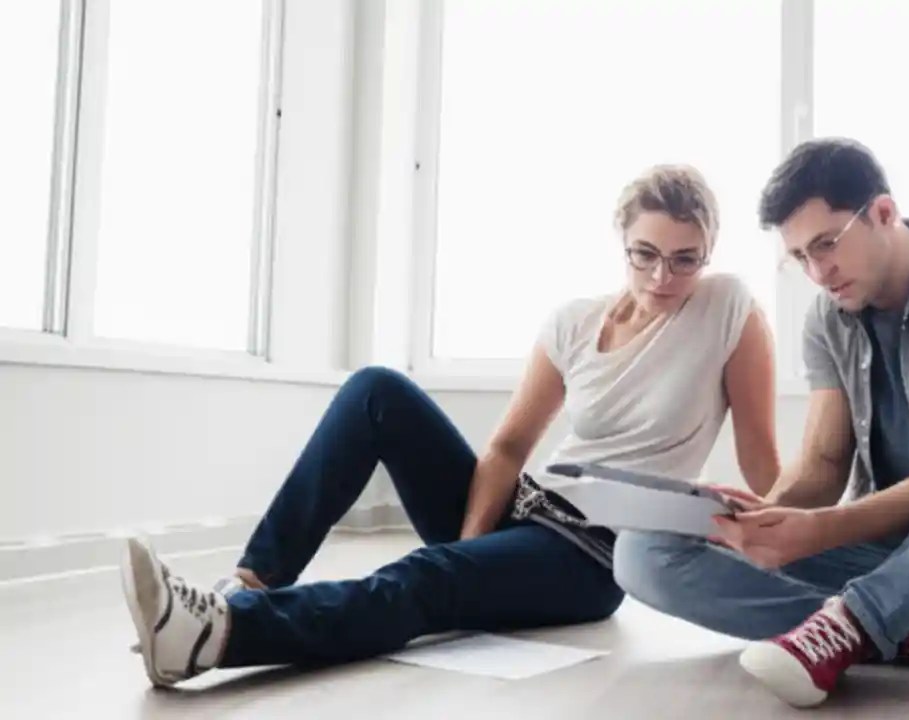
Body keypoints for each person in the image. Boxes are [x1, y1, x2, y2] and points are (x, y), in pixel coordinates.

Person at [119, 164, 781, 688]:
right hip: (523, 510)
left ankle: (221, 633)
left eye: (686, 259)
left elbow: (761, 457)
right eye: (645, 254)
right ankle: (251, 581)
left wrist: (797, 533)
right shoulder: (575, 322)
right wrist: (472, 545)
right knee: (376, 391)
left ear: (709, 254)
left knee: (425, 575)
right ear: (622, 243)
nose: (663, 276)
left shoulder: (727, 308)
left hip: (590, 556)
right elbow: (508, 447)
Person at [613, 138, 909, 708]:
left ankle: (859, 622)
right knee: (642, 550)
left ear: (883, 213)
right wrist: (763, 519)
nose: (818, 272)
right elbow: (823, 462)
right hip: (887, 561)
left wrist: (823, 529)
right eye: (800, 257)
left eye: (826, 244)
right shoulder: (829, 318)